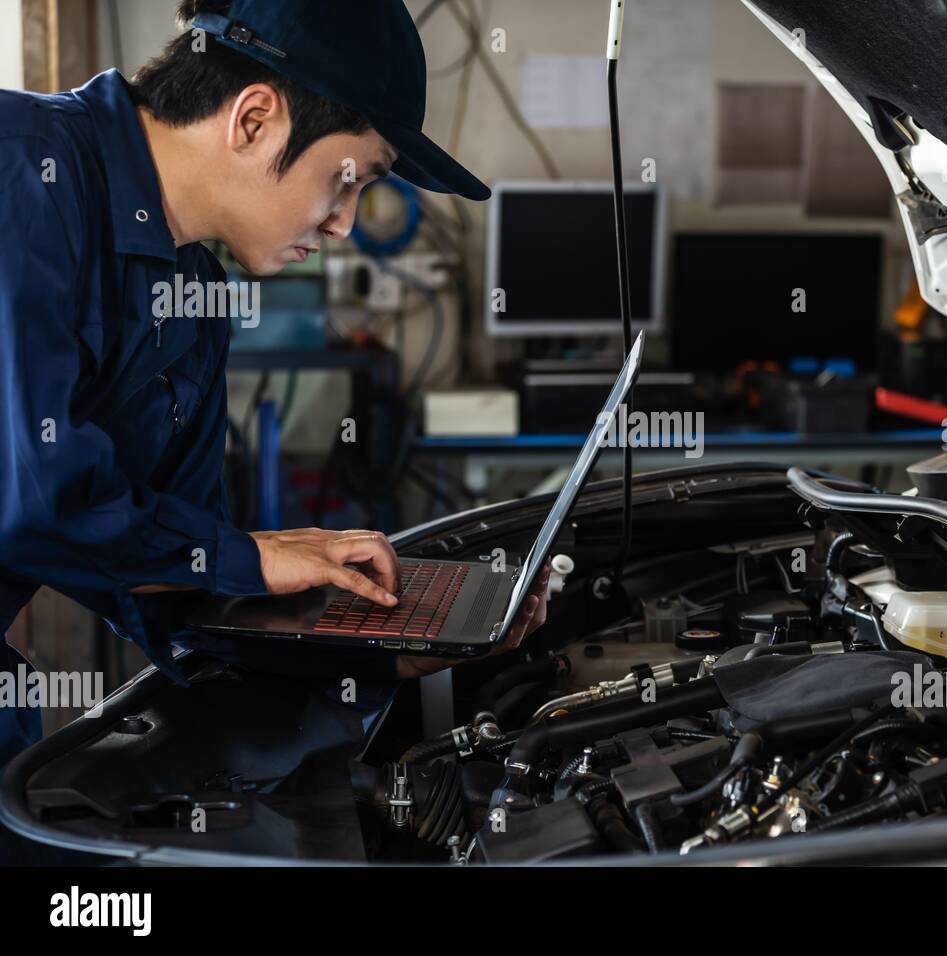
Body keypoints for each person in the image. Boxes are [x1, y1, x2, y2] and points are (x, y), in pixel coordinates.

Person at [0, 0, 549, 774]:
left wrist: (383, 651)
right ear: (253, 120)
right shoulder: (23, 167)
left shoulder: (193, 305)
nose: (343, 225)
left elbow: (180, 588)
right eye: (347, 180)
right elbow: (31, 503)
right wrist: (249, 556)